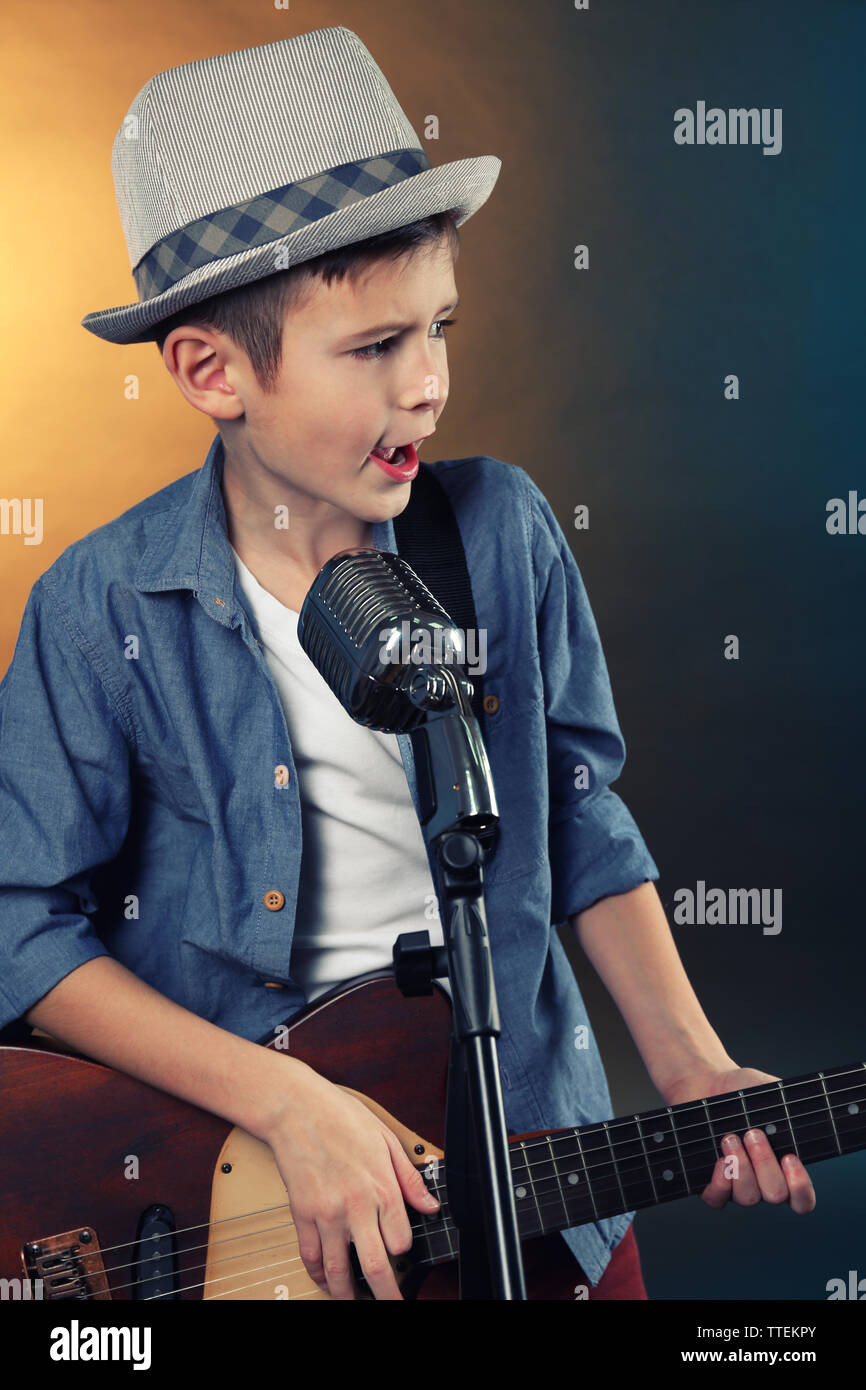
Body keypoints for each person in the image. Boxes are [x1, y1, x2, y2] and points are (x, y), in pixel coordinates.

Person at [0, 27, 815, 1302]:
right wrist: (285, 1103)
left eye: (438, 326)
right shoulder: (100, 602)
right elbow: (21, 929)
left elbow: (578, 810)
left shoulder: (499, 529)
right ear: (213, 370)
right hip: (249, 1197)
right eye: (374, 347)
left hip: (525, 1149)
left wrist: (690, 1063)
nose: (430, 383)